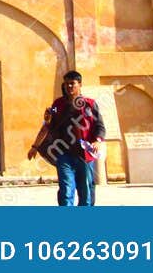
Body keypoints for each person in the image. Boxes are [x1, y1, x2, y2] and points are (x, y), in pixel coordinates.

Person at [28, 70, 107, 206]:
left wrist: (97, 141)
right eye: (66, 84)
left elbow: (100, 126)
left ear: (79, 84)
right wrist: (35, 146)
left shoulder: (90, 104)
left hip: (85, 155)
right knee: (66, 189)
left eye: (72, 83)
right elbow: (48, 120)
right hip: (64, 154)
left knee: (86, 191)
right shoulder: (58, 105)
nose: (69, 86)